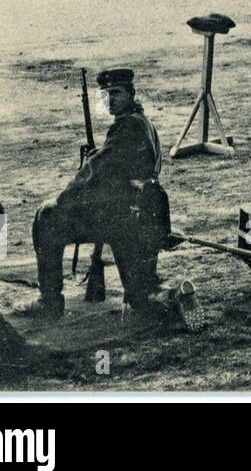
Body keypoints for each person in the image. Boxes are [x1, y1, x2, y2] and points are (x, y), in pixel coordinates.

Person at [18, 69, 171, 318]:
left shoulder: (129, 125)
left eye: (117, 93)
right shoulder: (140, 122)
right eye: (106, 95)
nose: (110, 100)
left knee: (47, 216)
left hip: (126, 217)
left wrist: (64, 199)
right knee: (143, 297)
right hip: (141, 212)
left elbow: (96, 171)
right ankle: (162, 296)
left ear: (131, 94)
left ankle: (49, 301)